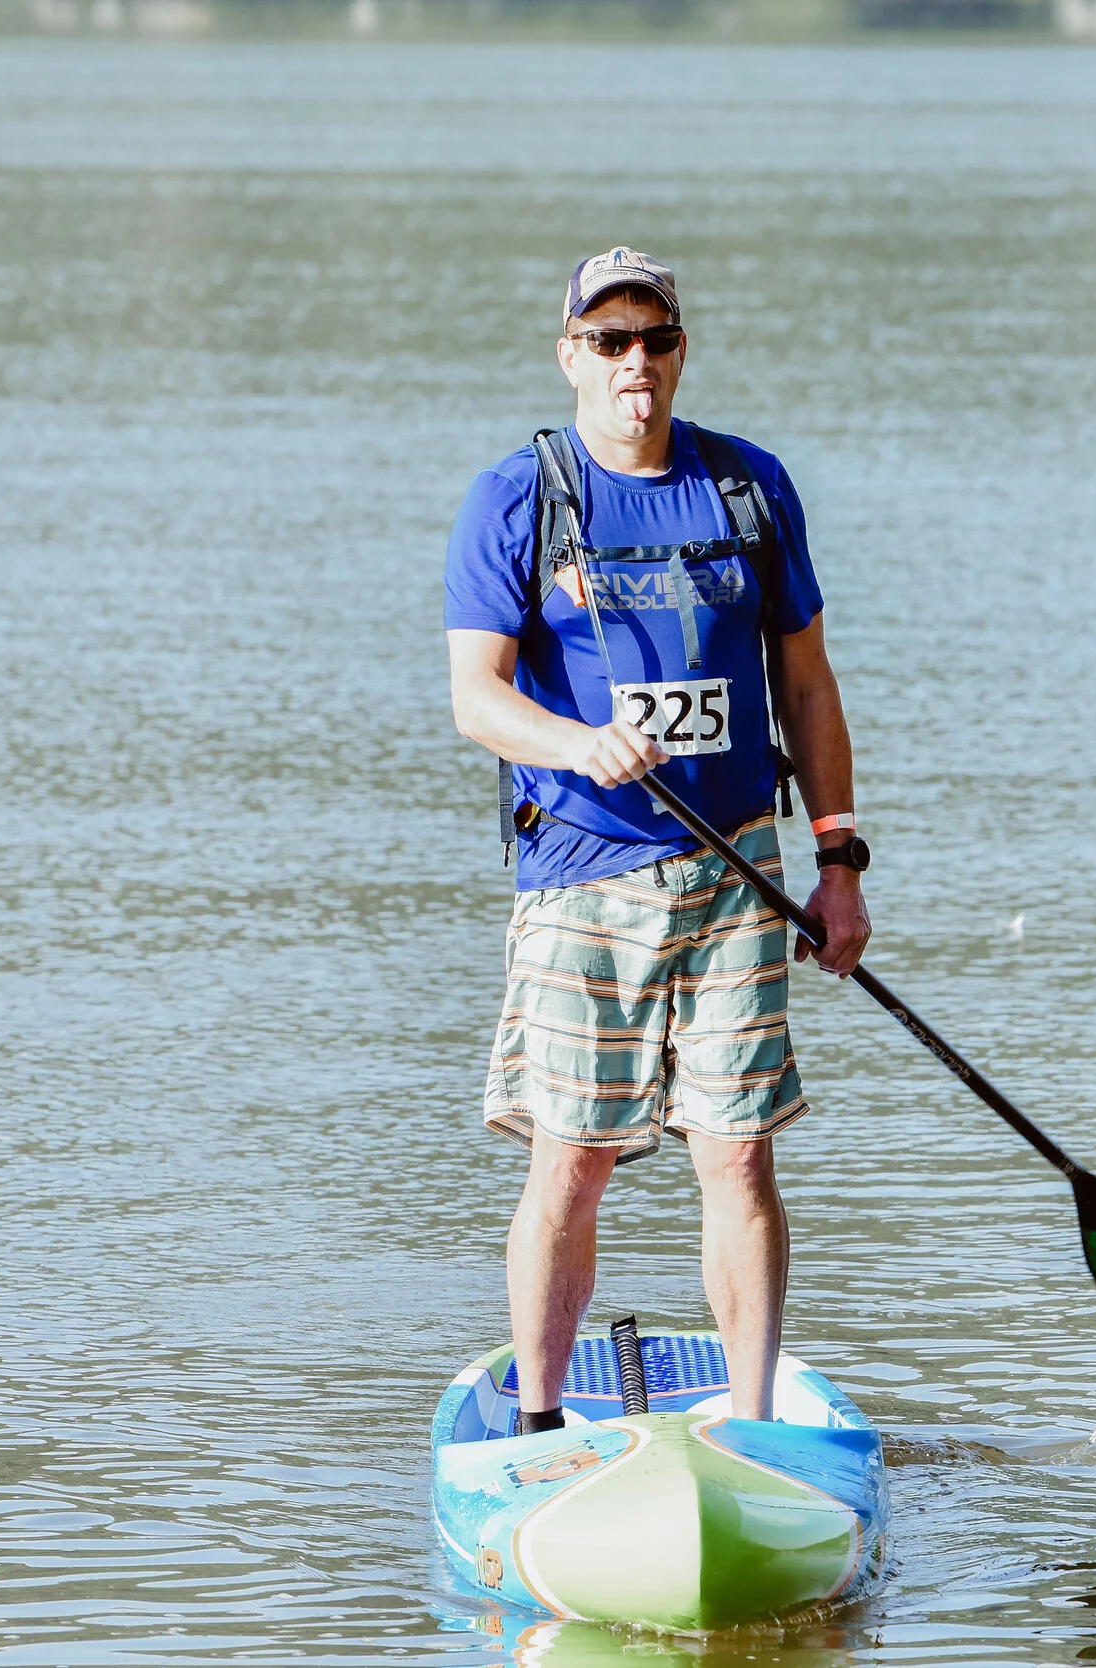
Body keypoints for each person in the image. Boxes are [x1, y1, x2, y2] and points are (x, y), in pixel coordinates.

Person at [443, 248, 870, 1430]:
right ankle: (535, 1425)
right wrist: (579, 744)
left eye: (656, 339)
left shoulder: (749, 487)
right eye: (609, 340)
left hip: (739, 870)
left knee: (736, 1157)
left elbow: (810, 686)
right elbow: (475, 699)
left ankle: (750, 1428)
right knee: (571, 1159)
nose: (637, 363)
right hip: (584, 874)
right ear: (569, 354)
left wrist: (838, 862)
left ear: (681, 349)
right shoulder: (516, 496)